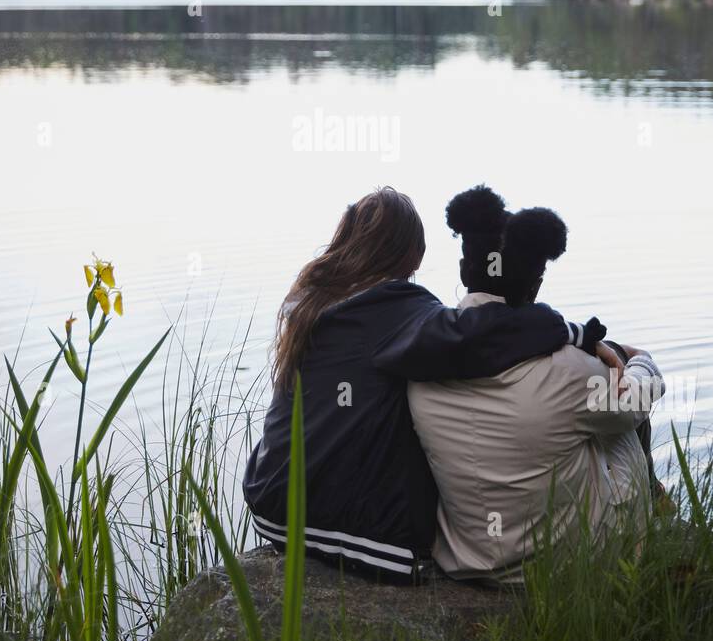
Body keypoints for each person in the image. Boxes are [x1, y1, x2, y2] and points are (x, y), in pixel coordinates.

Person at [243, 185, 620, 581]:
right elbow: (475, 336)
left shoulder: (313, 301)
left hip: (270, 504)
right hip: (347, 528)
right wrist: (574, 333)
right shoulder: (391, 309)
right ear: (410, 255)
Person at [408, 185, 665, 584]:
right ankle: (656, 520)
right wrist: (641, 361)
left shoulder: (421, 355)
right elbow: (639, 402)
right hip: (560, 564)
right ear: (535, 284)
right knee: (621, 414)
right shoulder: (569, 372)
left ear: (463, 271)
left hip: (466, 555)